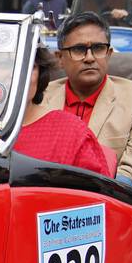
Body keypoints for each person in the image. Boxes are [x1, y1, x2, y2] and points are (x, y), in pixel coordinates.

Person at [41, 11, 132, 183]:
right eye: (79, 49)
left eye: (98, 49)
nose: (90, 58)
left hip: (107, 201)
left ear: (109, 53)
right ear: (60, 58)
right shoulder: (37, 98)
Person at [14, 46, 114, 177]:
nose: (16, 75)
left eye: (28, 65)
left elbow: (98, 194)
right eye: (5, 64)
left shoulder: (70, 131)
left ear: (40, 75)